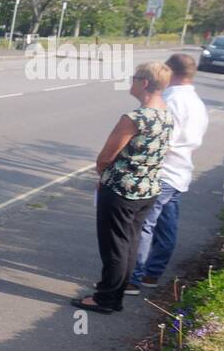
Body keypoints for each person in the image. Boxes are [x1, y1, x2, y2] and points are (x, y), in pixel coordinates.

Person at [73, 60, 173, 314]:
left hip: (121, 189)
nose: (131, 82)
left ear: (145, 83)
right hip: (148, 188)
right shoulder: (167, 116)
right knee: (130, 243)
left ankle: (106, 298)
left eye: (134, 78)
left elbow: (106, 156)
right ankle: (115, 294)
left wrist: (102, 174)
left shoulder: (134, 118)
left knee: (114, 245)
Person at [127, 52, 208, 292]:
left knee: (144, 225)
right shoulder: (197, 103)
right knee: (166, 227)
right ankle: (152, 274)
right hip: (181, 172)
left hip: (161, 171)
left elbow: (161, 138)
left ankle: (133, 278)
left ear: (170, 72)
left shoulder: (170, 100)